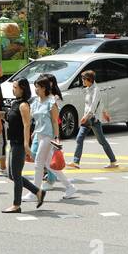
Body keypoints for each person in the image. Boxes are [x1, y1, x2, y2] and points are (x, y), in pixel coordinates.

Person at [31, 73, 76, 205]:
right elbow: (37, 119)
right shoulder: (36, 101)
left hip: (48, 136)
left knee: (39, 162)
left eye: (38, 87)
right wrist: (34, 132)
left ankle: (35, 192)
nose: (36, 89)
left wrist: (56, 138)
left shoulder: (51, 102)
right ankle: (70, 187)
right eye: (35, 87)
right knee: (48, 164)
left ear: (44, 88)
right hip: (39, 135)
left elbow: (55, 122)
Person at [1, 77, 39, 214]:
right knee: (12, 175)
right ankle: (37, 192)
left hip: (19, 144)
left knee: (16, 175)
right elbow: (12, 118)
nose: (13, 89)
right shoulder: (15, 103)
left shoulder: (23, 105)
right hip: (13, 142)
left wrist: (26, 144)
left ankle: (16, 205)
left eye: (15, 87)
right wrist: (1, 115)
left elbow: (27, 124)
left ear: (22, 89)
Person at [70, 67, 118, 170]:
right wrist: (104, 113)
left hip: (93, 119)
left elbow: (94, 104)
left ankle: (113, 160)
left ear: (89, 80)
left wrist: (86, 116)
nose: (82, 81)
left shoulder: (96, 90)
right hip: (88, 118)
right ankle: (76, 162)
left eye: (83, 79)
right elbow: (100, 103)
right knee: (79, 138)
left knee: (102, 141)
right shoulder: (88, 89)